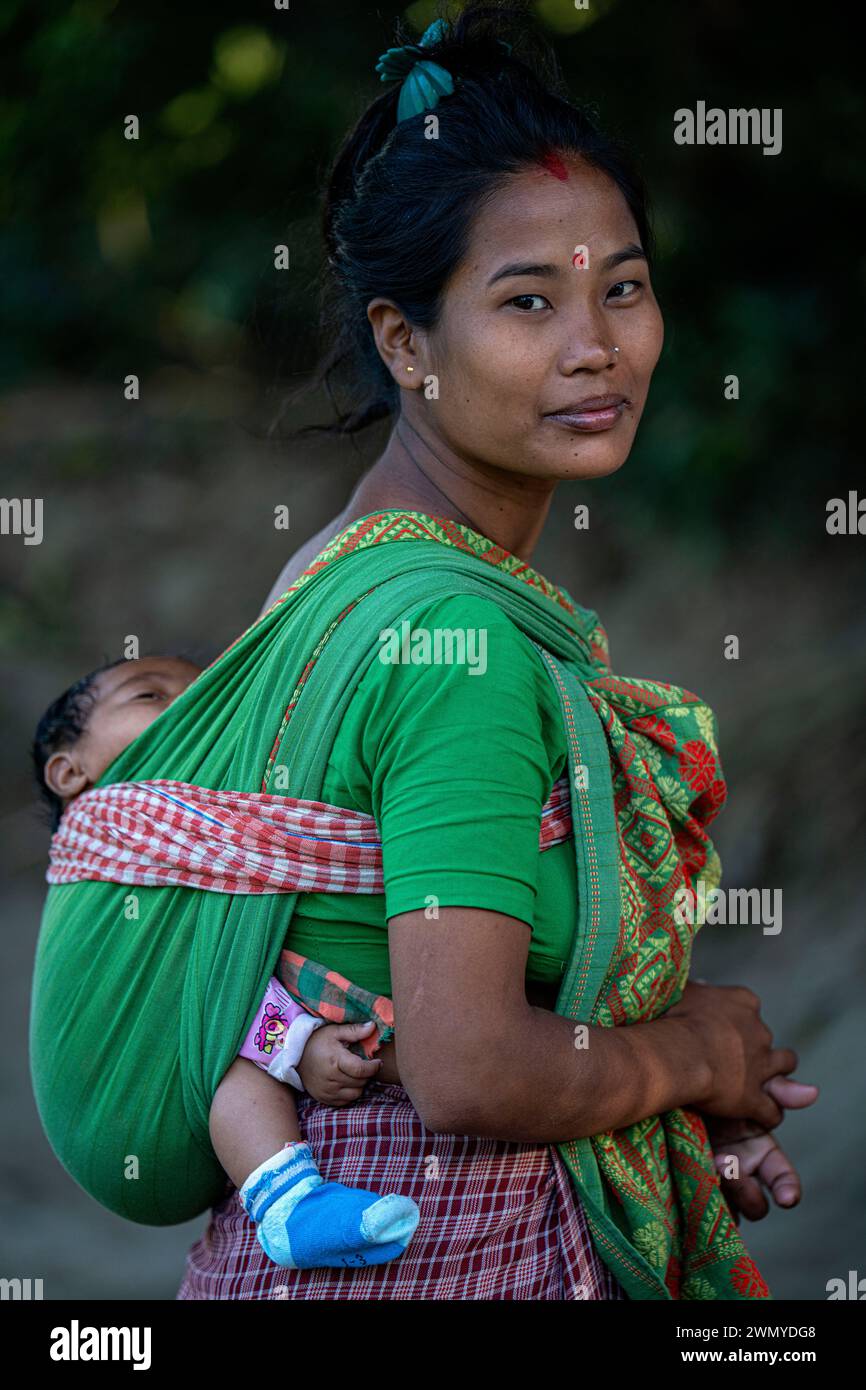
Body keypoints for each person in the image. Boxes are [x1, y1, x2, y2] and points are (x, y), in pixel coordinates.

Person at [29, 5, 818, 1302]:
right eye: (527, 301)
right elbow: (467, 1071)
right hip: (446, 1257)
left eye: (620, 285)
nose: (594, 345)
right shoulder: (456, 642)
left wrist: (653, 1110)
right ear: (406, 343)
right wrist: (698, 1054)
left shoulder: (336, 571)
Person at [32, 653, 421, 1269]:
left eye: (207, 696)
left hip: (219, 1019)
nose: (191, 707)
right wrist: (294, 1045)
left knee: (246, 1065)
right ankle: (289, 1206)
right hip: (185, 1042)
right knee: (238, 1080)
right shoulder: (105, 831)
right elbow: (194, 983)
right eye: (149, 696)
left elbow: (225, 957)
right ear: (68, 771)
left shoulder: (223, 809)